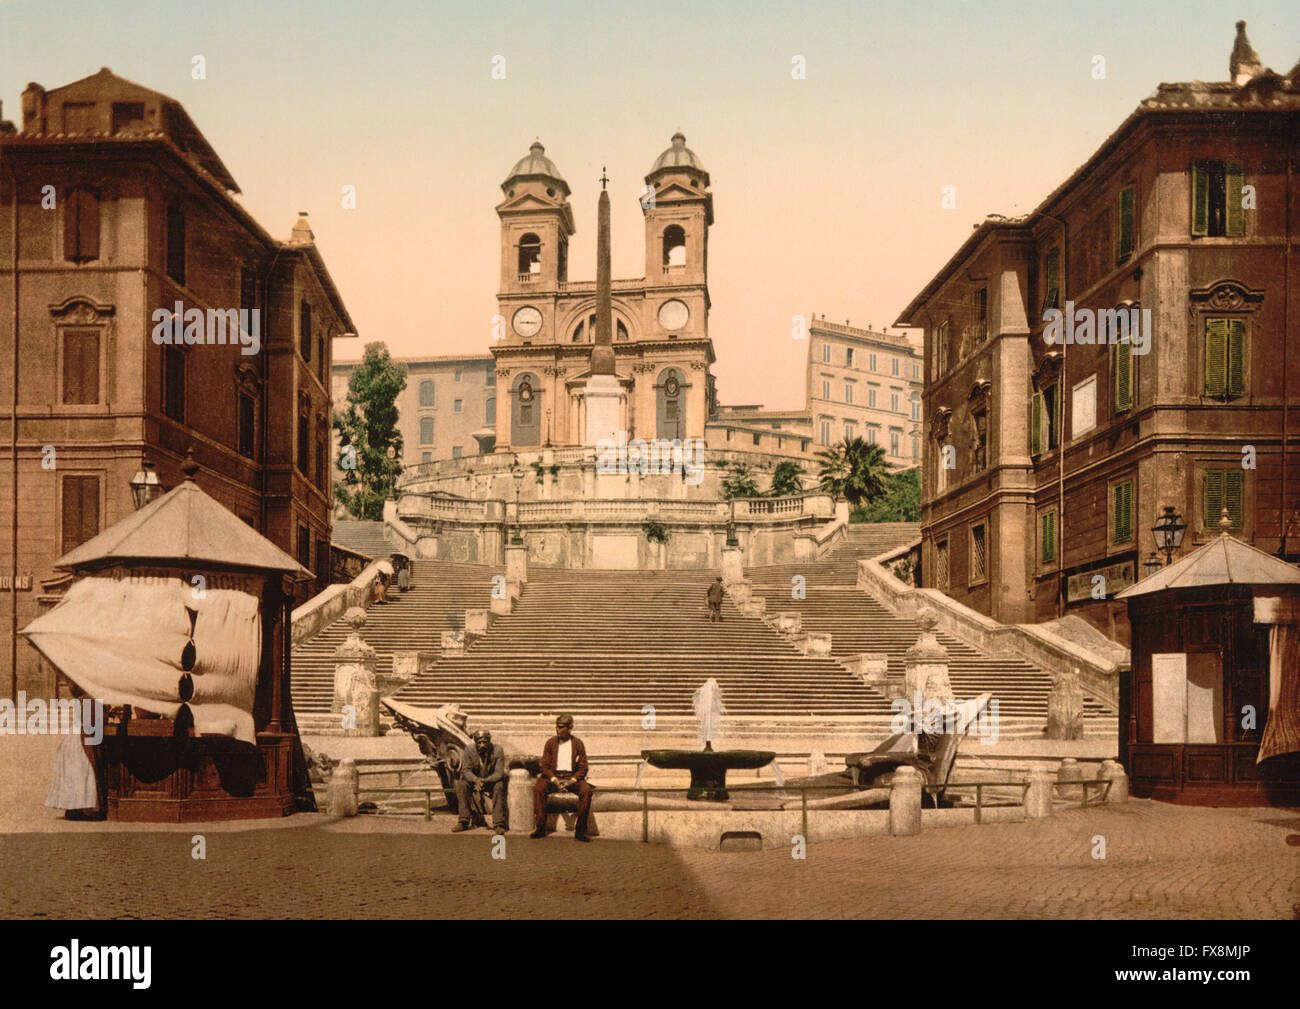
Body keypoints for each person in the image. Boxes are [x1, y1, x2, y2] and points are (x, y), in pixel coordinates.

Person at [531, 713, 593, 841]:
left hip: (572, 777)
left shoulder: (578, 744)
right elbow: (545, 766)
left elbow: (583, 767)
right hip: (553, 777)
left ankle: (580, 831)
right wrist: (554, 779)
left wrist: (571, 781)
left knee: (586, 791)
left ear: (570, 728)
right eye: (557, 726)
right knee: (538, 788)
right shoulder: (550, 743)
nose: (557, 729)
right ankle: (540, 828)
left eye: (561, 727)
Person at [453, 729, 507, 834]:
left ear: (489, 741)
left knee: (499, 786)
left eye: (484, 742)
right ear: (475, 742)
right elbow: (466, 770)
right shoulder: (469, 750)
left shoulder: (497, 750)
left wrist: (485, 781)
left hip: (490, 781)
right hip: (475, 781)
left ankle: (498, 823)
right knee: (462, 784)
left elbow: (499, 773)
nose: (482, 745)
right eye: (479, 742)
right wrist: (475, 779)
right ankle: (463, 821)